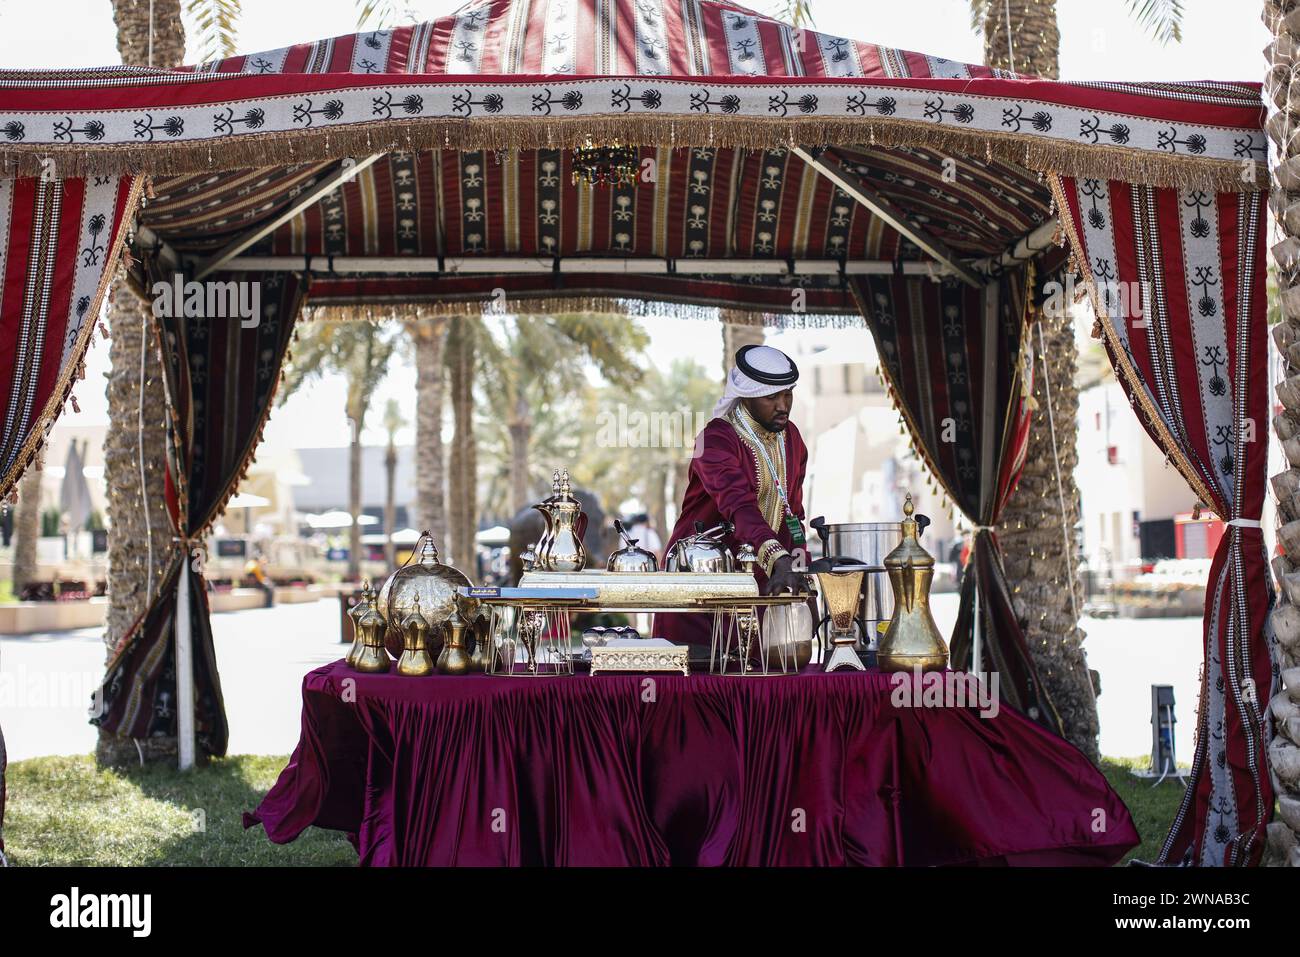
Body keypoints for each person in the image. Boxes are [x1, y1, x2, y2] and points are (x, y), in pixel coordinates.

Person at [658, 344, 809, 648]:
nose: (783, 405)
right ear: (748, 395)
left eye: (788, 395)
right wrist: (779, 559)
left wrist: (800, 565)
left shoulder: (792, 438)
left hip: (763, 587)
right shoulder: (714, 440)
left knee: (763, 685)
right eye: (772, 397)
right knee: (698, 687)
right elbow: (738, 505)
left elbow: (794, 514)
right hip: (700, 585)